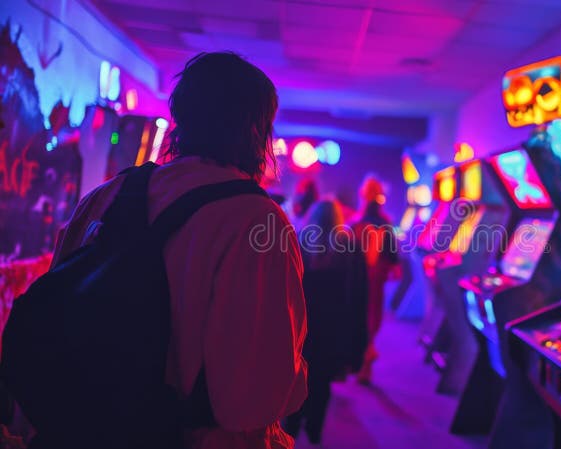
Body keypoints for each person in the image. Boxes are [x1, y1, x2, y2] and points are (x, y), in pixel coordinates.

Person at [51, 52, 307, 449]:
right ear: (257, 130)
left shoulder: (105, 196)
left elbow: (56, 305)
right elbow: (253, 396)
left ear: (181, 117)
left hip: (80, 421)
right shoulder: (258, 220)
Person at [285, 199, 368, 444]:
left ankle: (291, 424)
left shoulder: (299, 243)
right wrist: (358, 340)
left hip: (301, 325)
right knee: (322, 381)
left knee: (298, 376)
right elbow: (358, 296)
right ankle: (315, 428)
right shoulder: (350, 248)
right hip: (334, 328)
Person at [351, 176, 398, 384]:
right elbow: (393, 255)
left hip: (357, 277)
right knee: (373, 317)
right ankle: (367, 359)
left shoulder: (356, 222)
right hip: (377, 277)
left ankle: (361, 359)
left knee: (358, 315)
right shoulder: (385, 222)